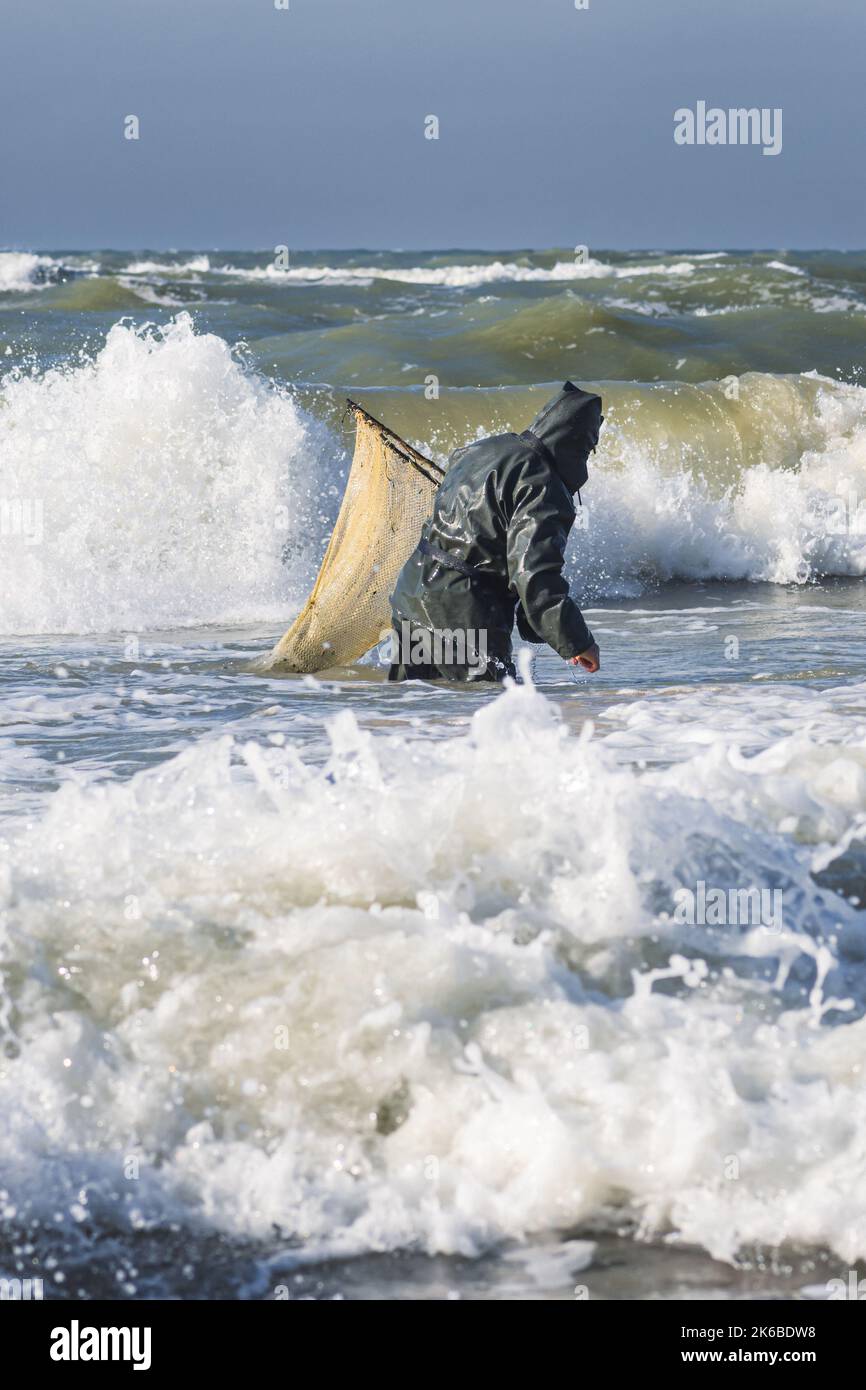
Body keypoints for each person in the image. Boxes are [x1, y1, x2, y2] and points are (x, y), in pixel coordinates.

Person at [387, 381, 603, 682]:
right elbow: (534, 575)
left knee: (417, 711)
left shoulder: (483, 447)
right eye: (588, 449)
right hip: (462, 614)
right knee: (491, 711)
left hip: (412, 593)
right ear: (576, 443)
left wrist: (540, 624)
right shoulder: (542, 483)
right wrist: (578, 641)